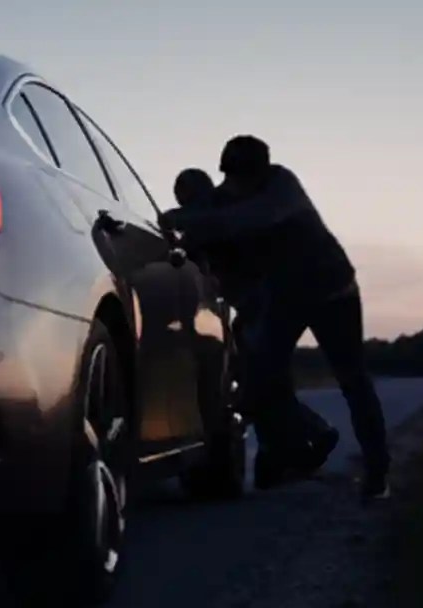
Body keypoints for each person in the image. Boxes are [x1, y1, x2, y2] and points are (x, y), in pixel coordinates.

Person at [161, 136, 390, 501]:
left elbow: (250, 219)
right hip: (284, 298)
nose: (236, 185)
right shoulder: (223, 201)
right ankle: (286, 455)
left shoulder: (283, 187)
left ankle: (377, 475)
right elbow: (209, 229)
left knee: (353, 381)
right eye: (230, 177)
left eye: (244, 177)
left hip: (334, 294)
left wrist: (189, 219)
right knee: (260, 377)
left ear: (262, 172)